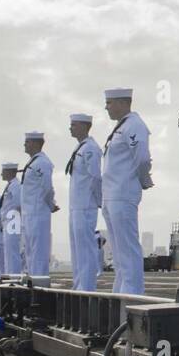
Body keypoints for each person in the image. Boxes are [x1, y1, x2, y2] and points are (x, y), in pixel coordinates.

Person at [101, 87, 153, 295]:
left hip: (123, 194)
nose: (106, 107)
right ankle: (120, 295)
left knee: (128, 251)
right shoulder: (121, 127)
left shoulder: (134, 125)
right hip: (112, 196)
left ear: (123, 103)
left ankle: (132, 296)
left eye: (110, 103)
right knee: (120, 254)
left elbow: (141, 158)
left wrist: (144, 180)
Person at [66, 112, 102, 292]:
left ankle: (87, 287)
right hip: (75, 206)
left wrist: (98, 201)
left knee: (85, 248)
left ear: (83, 126)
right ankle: (79, 284)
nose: (70, 128)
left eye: (73, 125)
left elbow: (95, 177)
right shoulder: (80, 148)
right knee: (77, 249)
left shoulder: (90, 148)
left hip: (86, 205)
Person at [20, 131, 58, 276]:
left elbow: (47, 187)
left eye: (27, 142)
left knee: (38, 251)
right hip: (29, 213)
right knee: (30, 251)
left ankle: (39, 280)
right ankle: (33, 280)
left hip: (38, 212)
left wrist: (51, 205)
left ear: (36, 143)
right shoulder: (33, 162)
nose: (24, 144)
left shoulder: (42, 163)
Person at [0, 162, 24, 275]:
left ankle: (14, 276)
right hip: (8, 221)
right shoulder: (10, 185)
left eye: (3, 172)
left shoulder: (16, 186)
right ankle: (10, 275)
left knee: (12, 251)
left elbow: (18, 203)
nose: (1, 174)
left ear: (10, 172)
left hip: (13, 220)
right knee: (8, 251)